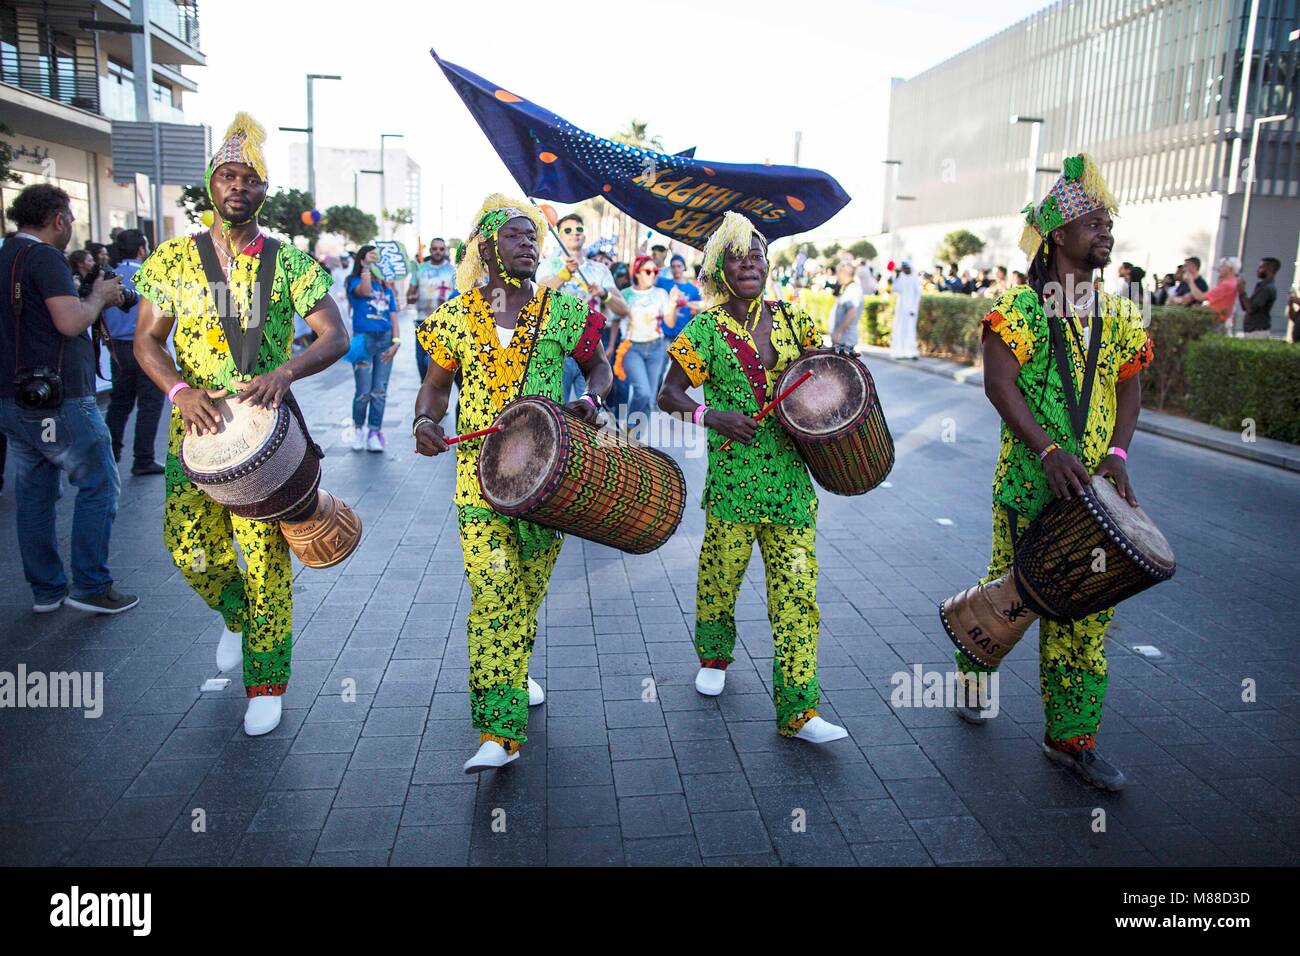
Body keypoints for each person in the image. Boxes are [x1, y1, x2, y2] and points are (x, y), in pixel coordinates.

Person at [132, 112, 347, 736]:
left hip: (268, 436)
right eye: (227, 175)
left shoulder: (291, 263)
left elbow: (335, 336)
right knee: (189, 548)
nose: (237, 187)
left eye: (250, 178)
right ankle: (236, 617)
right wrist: (177, 389)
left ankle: (267, 682)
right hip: (195, 431)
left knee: (265, 561)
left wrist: (285, 373)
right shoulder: (172, 261)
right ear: (211, 184)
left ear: (264, 192)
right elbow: (147, 341)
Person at [962, 152, 1154, 791]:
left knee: (1084, 617)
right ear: (1059, 237)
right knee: (1009, 601)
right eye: (1094, 222)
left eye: (1108, 222)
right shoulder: (1018, 306)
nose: (1107, 231)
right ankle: (972, 672)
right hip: (1028, 489)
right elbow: (999, 383)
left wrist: (1119, 456)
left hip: (1095, 500)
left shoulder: (1122, 312)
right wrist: (1048, 451)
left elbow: (1129, 388)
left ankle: (1071, 741)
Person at [413, 194, 612, 773]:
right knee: (494, 596)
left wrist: (592, 398)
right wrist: (426, 420)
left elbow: (600, 367)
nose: (530, 244)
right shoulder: (454, 315)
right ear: (486, 250)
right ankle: (499, 731)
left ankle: (512, 669)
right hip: (478, 484)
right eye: (516, 236)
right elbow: (435, 386)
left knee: (524, 594)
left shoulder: (562, 309)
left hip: (549, 482)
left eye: (533, 236)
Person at [658, 210, 848, 746]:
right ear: (720, 267)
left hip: (791, 481)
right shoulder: (704, 329)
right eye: (739, 256)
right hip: (735, 482)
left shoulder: (791, 319)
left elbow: (825, 369)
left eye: (758, 254)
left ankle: (800, 711)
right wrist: (710, 416)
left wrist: (840, 359)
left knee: (797, 594)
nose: (750, 263)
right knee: (720, 580)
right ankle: (714, 654)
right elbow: (667, 395)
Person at [0, 183, 137, 615]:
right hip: (59, 398)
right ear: (58, 219)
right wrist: (98, 297)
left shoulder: (5, 255)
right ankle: (91, 585)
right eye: (72, 218)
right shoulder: (44, 258)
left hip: (14, 397)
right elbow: (69, 322)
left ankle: (46, 591)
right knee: (98, 481)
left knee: (35, 493)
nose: (73, 226)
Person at [537, 213, 628, 401]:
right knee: (554, 409)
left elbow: (622, 309)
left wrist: (605, 293)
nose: (574, 233)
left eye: (578, 229)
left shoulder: (599, 269)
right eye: (568, 230)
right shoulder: (548, 265)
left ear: (584, 236)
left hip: (591, 351)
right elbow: (540, 296)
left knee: (587, 414)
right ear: (559, 236)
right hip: (556, 350)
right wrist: (563, 275)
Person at [101, 228, 165, 476]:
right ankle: (143, 458)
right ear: (141, 249)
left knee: (119, 403)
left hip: (118, 349)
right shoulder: (149, 276)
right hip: (146, 347)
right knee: (150, 403)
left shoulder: (109, 276)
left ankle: (110, 454)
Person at [346, 245, 400, 451]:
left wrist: (396, 341)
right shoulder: (353, 281)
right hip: (363, 340)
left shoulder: (386, 288)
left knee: (379, 390)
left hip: (385, 339)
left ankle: (374, 432)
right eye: (371, 258)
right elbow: (365, 291)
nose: (376, 262)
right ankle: (358, 429)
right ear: (362, 261)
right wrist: (366, 268)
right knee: (363, 391)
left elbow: (393, 314)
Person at [617, 255, 673, 439]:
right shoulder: (625, 294)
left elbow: (669, 323)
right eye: (648, 271)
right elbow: (615, 321)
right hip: (632, 348)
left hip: (656, 348)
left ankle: (635, 439)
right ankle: (630, 425)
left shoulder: (660, 294)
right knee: (642, 391)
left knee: (649, 400)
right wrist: (610, 347)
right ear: (637, 273)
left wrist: (672, 303)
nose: (652, 275)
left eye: (655, 271)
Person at [407, 237, 456, 379]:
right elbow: (409, 297)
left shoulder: (452, 271)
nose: (438, 252)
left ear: (445, 250)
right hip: (423, 323)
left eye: (441, 249)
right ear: (430, 250)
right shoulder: (420, 269)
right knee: (423, 370)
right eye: (434, 249)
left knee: (444, 372)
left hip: (446, 326)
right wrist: (412, 296)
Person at [659, 253, 702, 343]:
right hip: (664, 334)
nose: (676, 269)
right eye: (673, 267)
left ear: (684, 267)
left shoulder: (693, 289)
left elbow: (700, 310)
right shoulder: (663, 283)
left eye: (679, 266)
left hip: (682, 335)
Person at [1237, 257, 1279, 338]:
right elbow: (1245, 307)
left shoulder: (1267, 289)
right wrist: (1241, 292)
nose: (1257, 270)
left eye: (1261, 267)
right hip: (1251, 330)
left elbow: (1251, 308)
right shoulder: (1262, 286)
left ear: (1269, 269)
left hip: (1258, 330)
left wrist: (1242, 292)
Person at [830, 259, 864, 351]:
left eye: (838, 273)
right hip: (842, 340)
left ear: (843, 273)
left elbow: (852, 312)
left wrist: (839, 331)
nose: (837, 277)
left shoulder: (853, 289)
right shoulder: (849, 288)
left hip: (845, 341)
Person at [890, 260, 921, 359]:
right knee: (899, 330)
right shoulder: (901, 277)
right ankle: (899, 352)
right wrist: (897, 277)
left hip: (911, 310)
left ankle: (911, 352)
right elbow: (895, 289)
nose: (905, 270)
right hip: (901, 309)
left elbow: (917, 295)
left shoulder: (915, 278)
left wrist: (913, 309)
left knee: (910, 331)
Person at [1200, 257, 1240, 328]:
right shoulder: (1232, 282)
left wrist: (1190, 281)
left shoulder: (1227, 284)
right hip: (1219, 319)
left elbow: (1201, 297)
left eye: (1222, 266)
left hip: (1219, 320)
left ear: (1230, 269)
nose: (1219, 269)